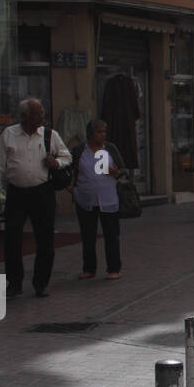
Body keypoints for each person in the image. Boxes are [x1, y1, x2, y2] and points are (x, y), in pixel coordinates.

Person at [0, 98, 72, 297]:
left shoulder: (50, 135)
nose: (41, 117)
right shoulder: (9, 134)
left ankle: (41, 283)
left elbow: (67, 157)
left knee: (45, 239)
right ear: (24, 116)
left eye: (42, 112)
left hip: (42, 192)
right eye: (36, 113)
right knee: (12, 239)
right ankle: (14, 282)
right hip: (16, 193)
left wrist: (56, 163)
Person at [70, 119, 124, 280]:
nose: (102, 135)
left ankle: (114, 268)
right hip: (85, 199)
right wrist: (71, 188)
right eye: (99, 132)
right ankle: (89, 268)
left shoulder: (110, 149)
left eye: (104, 132)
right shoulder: (80, 151)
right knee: (88, 235)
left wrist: (115, 172)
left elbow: (122, 170)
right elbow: (69, 169)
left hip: (108, 199)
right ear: (90, 134)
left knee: (111, 234)